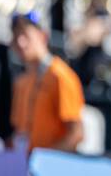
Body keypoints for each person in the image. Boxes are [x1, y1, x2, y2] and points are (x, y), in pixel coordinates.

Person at [8, 11, 85, 153]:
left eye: (25, 35)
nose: (20, 42)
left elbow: (76, 134)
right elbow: (20, 132)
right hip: (26, 167)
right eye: (16, 36)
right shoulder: (22, 81)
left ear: (43, 36)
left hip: (52, 168)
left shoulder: (60, 76)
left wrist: (44, 159)